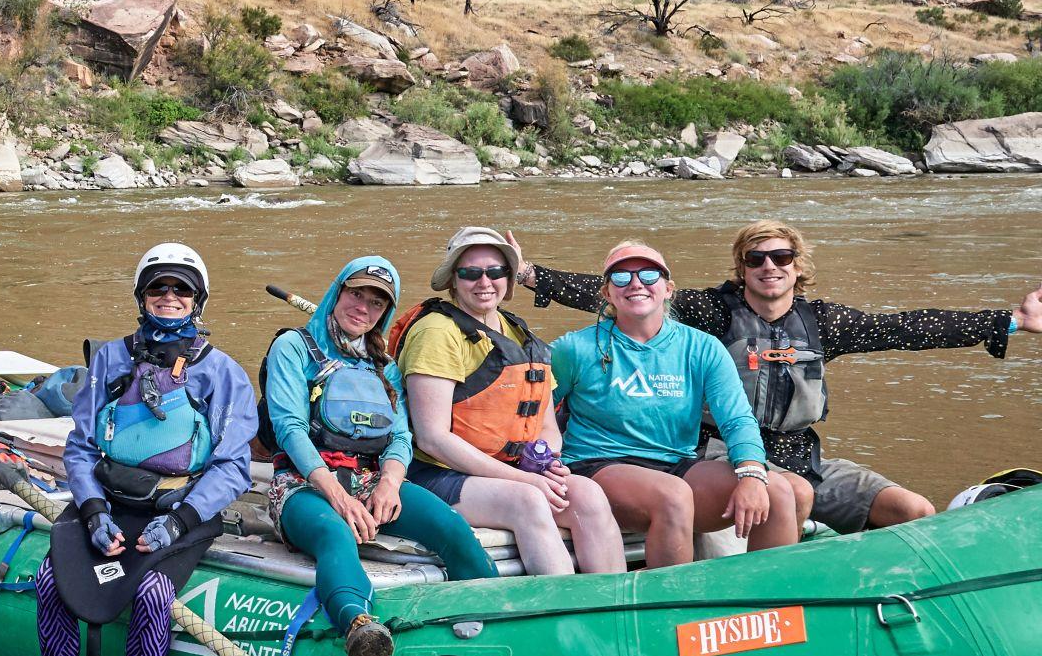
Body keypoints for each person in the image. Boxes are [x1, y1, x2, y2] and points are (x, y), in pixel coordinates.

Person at [524, 223, 1042, 534]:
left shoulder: (825, 322)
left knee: (914, 509)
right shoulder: (711, 313)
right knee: (789, 494)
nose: (769, 266)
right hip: (720, 454)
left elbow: (906, 328)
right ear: (742, 268)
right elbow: (629, 291)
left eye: (781, 257)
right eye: (756, 258)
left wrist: (1011, 321)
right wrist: (528, 276)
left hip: (802, 455)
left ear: (797, 266)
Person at [29, 243, 256, 656]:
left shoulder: (222, 373)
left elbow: (233, 466)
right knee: (48, 580)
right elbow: (81, 447)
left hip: (180, 512)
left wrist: (180, 521)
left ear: (198, 300)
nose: (169, 297)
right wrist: (92, 510)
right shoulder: (110, 359)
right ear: (141, 296)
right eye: (158, 287)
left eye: (182, 289)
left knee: (153, 594)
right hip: (109, 505)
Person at [262, 256, 499, 656]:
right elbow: (290, 428)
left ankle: (495, 610)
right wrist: (337, 497)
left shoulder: (383, 365)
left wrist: (390, 482)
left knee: (449, 526)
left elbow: (401, 437)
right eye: (356, 294)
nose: (363, 308)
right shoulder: (293, 348)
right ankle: (360, 627)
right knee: (336, 534)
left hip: (370, 479)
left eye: (376, 302)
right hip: (303, 485)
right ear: (338, 292)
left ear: (385, 311)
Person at [545, 241, 803, 566]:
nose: (636, 284)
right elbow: (534, 410)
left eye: (648, 275)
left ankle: (767, 597)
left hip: (677, 464)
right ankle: (673, 599)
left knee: (777, 490)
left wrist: (751, 473)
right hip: (599, 465)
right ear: (607, 293)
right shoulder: (573, 348)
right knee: (673, 494)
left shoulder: (703, 347)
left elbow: (737, 419)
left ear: (668, 289)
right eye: (621, 277)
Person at [392, 227, 625, 576]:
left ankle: (613, 600)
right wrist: (525, 481)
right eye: (470, 272)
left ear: (509, 277)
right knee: (527, 501)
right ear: (453, 280)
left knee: (588, 494)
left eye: (496, 271)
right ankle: (559, 601)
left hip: (510, 469)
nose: (484, 282)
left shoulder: (516, 331)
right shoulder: (436, 332)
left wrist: (545, 464)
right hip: (437, 474)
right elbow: (432, 438)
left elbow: (546, 424)